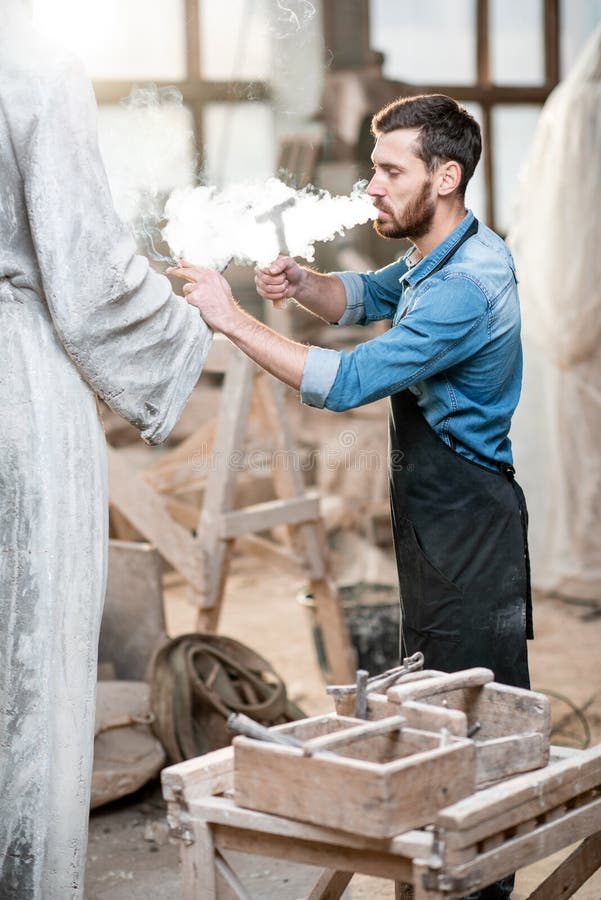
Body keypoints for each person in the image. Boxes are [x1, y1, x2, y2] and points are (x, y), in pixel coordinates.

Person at [170, 92, 529, 900]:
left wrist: (230, 318)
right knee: (441, 708)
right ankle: (451, 876)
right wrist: (303, 283)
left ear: (445, 175)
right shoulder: (441, 255)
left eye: (388, 170)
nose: (370, 184)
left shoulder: (467, 282)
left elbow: (345, 381)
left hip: (470, 529)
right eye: (371, 167)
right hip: (441, 519)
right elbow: (365, 298)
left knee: (471, 728)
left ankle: (476, 887)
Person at [0, 7, 211, 899]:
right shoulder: (34, 62)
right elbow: (85, 280)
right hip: (14, 387)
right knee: (29, 666)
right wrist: (188, 329)